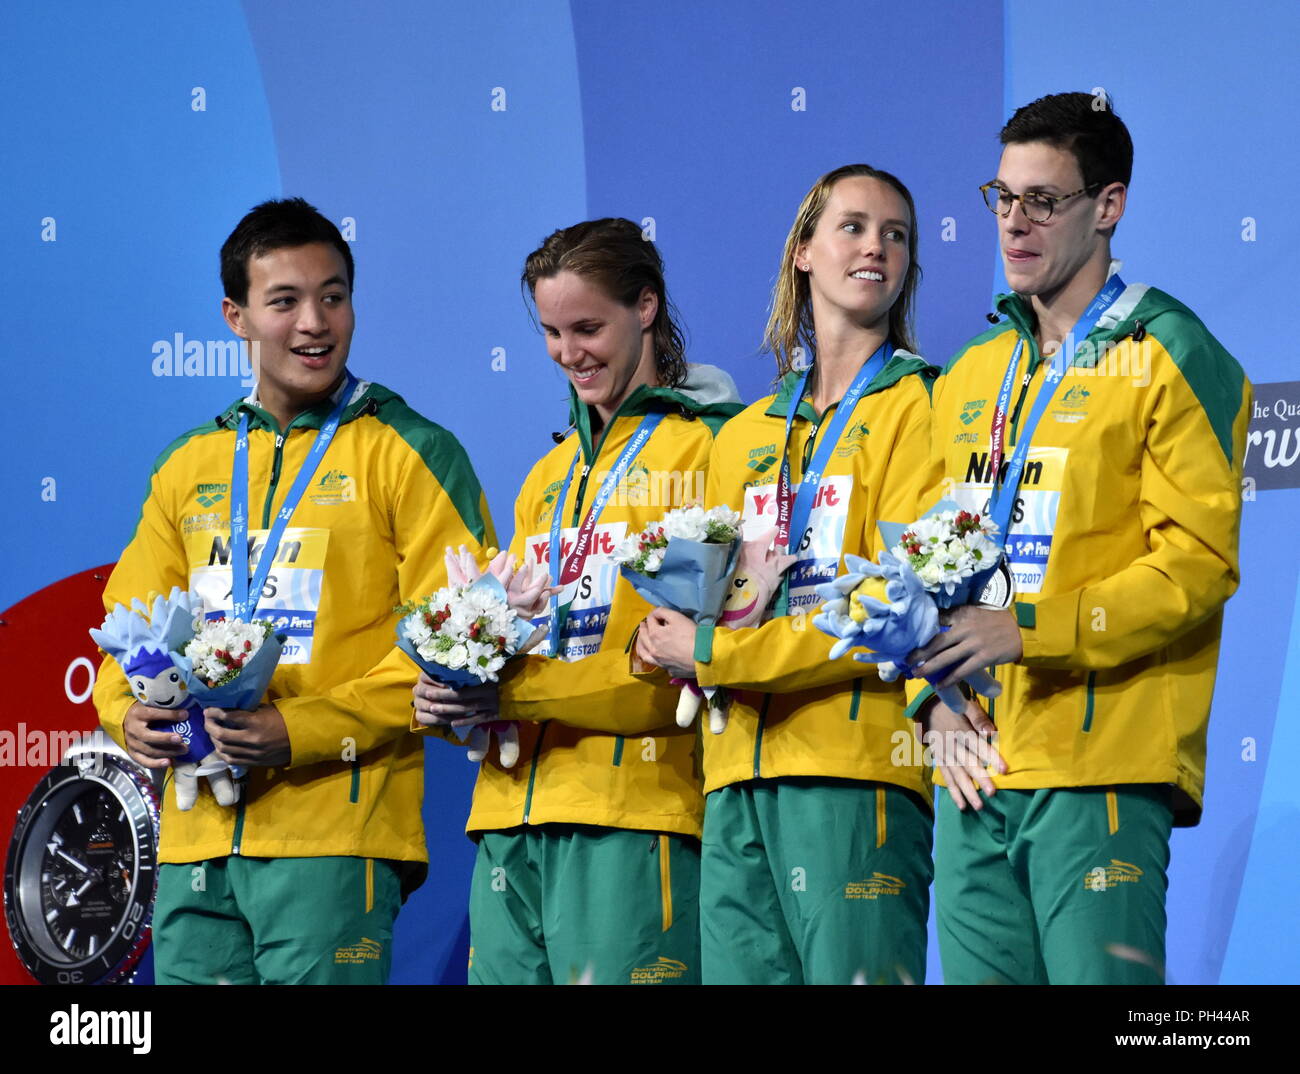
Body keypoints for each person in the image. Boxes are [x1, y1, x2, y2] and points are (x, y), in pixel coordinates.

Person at [92, 197, 494, 984]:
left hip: (332, 835)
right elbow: (125, 629)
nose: (316, 322)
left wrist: (299, 731)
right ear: (235, 316)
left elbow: (459, 648)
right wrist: (127, 713)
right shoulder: (189, 464)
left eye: (334, 296)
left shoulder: (412, 451)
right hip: (196, 838)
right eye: (285, 302)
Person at [909, 92, 1250, 985]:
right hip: (976, 765)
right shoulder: (974, 370)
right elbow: (922, 561)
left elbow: (1196, 566)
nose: (1014, 226)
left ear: (1109, 206)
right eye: (1003, 198)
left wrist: (1031, 629)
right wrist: (936, 701)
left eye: (1044, 202)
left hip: (1100, 767)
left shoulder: (1173, 351)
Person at [413, 217, 741, 985]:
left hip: (635, 816)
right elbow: (519, 644)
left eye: (588, 327)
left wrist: (516, 693)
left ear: (647, 307)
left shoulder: (711, 450)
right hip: (508, 820)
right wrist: (459, 693)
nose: (569, 354)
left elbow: (683, 673)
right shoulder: (546, 476)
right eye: (554, 334)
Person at [636, 164, 939, 984]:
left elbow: (890, 607)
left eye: (897, 233)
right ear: (802, 251)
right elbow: (718, 600)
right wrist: (660, 634)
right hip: (733, 777)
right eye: (852, 226)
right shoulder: (741, 436)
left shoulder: (924, 409)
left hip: (856, 770)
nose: (876, 245)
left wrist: (714, 655)